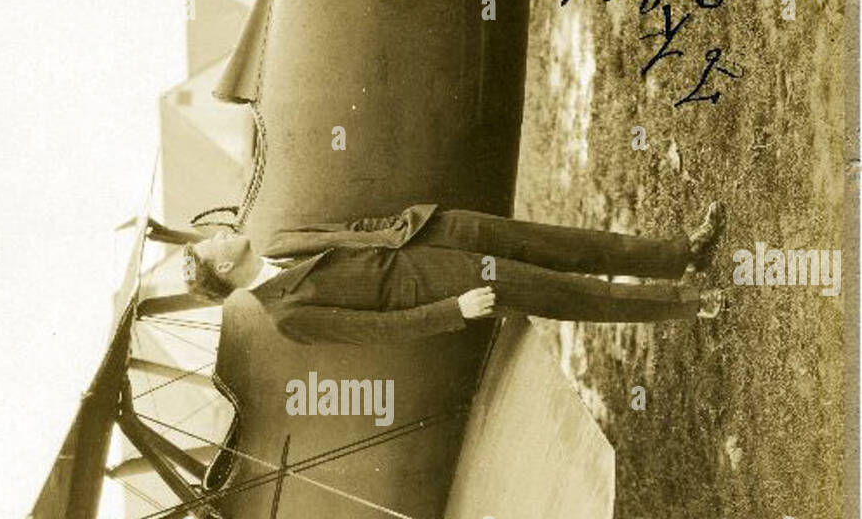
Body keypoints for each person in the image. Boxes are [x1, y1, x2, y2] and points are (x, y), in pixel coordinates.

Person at [179, 203, 725, 344]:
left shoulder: (280, 242)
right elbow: (380, 330)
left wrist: (409, 223)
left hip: (441, 232)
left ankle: (678, 255)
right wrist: (452, 311)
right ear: (224, 266)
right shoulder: (289, 316)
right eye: (216, 243)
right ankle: (687, 303)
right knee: (568, 293)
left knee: (566, 245)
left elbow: (354, 228)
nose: (222, 232)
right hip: (449, 285)